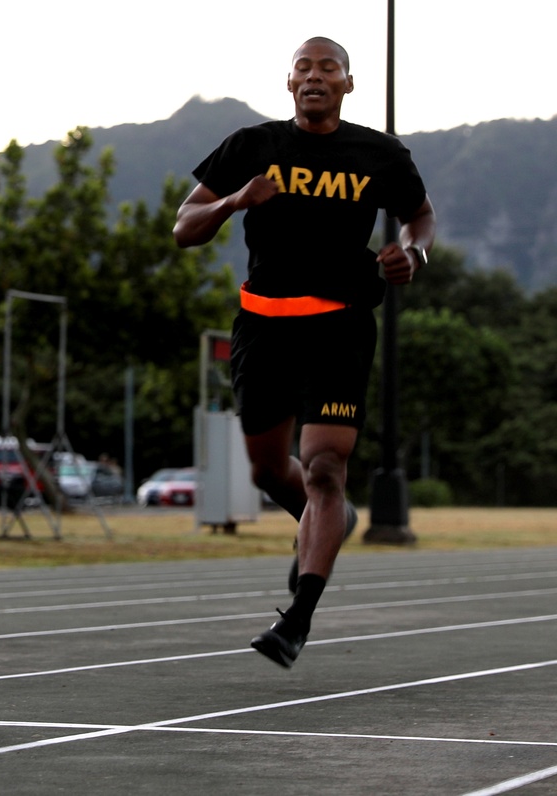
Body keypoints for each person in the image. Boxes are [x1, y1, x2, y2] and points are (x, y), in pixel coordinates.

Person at [173, 37, 435, 668]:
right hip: (264, 325)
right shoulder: (252, 146)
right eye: (304, 69)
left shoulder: (380, 153)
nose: (315, 77)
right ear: (289, 83)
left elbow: (419, 216)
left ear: (348, 83)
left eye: (328, 69)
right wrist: (235, 199)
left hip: (341, 324)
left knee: (322, 468)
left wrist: (412, 253)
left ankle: (298, 618)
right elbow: (185, 227)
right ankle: (332, 518)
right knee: (269, 471)